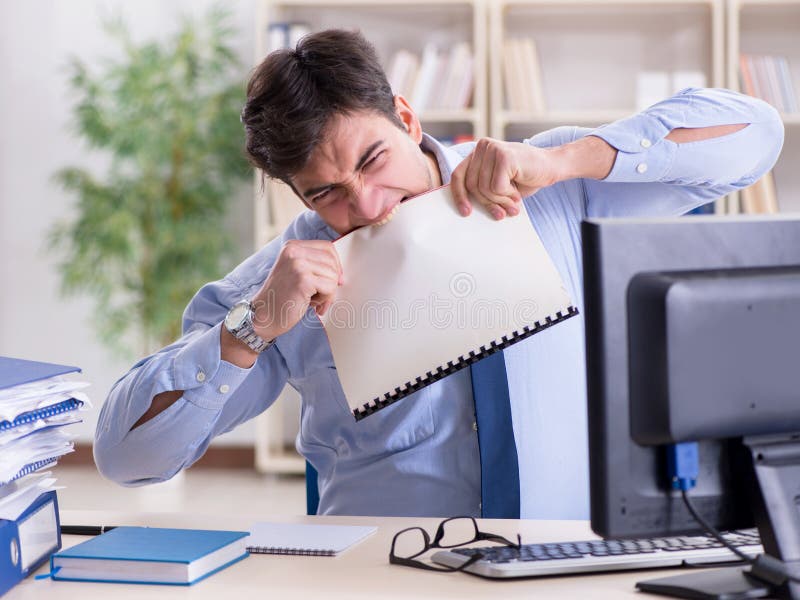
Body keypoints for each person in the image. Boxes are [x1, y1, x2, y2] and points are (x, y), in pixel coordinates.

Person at [94, 29, 784, 519]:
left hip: (568, 557)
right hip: (388, 574)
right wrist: (250, 330)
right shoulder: (290, 274)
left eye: (369, 162)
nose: (364, 205)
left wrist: (572, 160)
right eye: (323, 193)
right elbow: (126, 458)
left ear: (405, 115)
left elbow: (757, 137)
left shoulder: (548, 179)